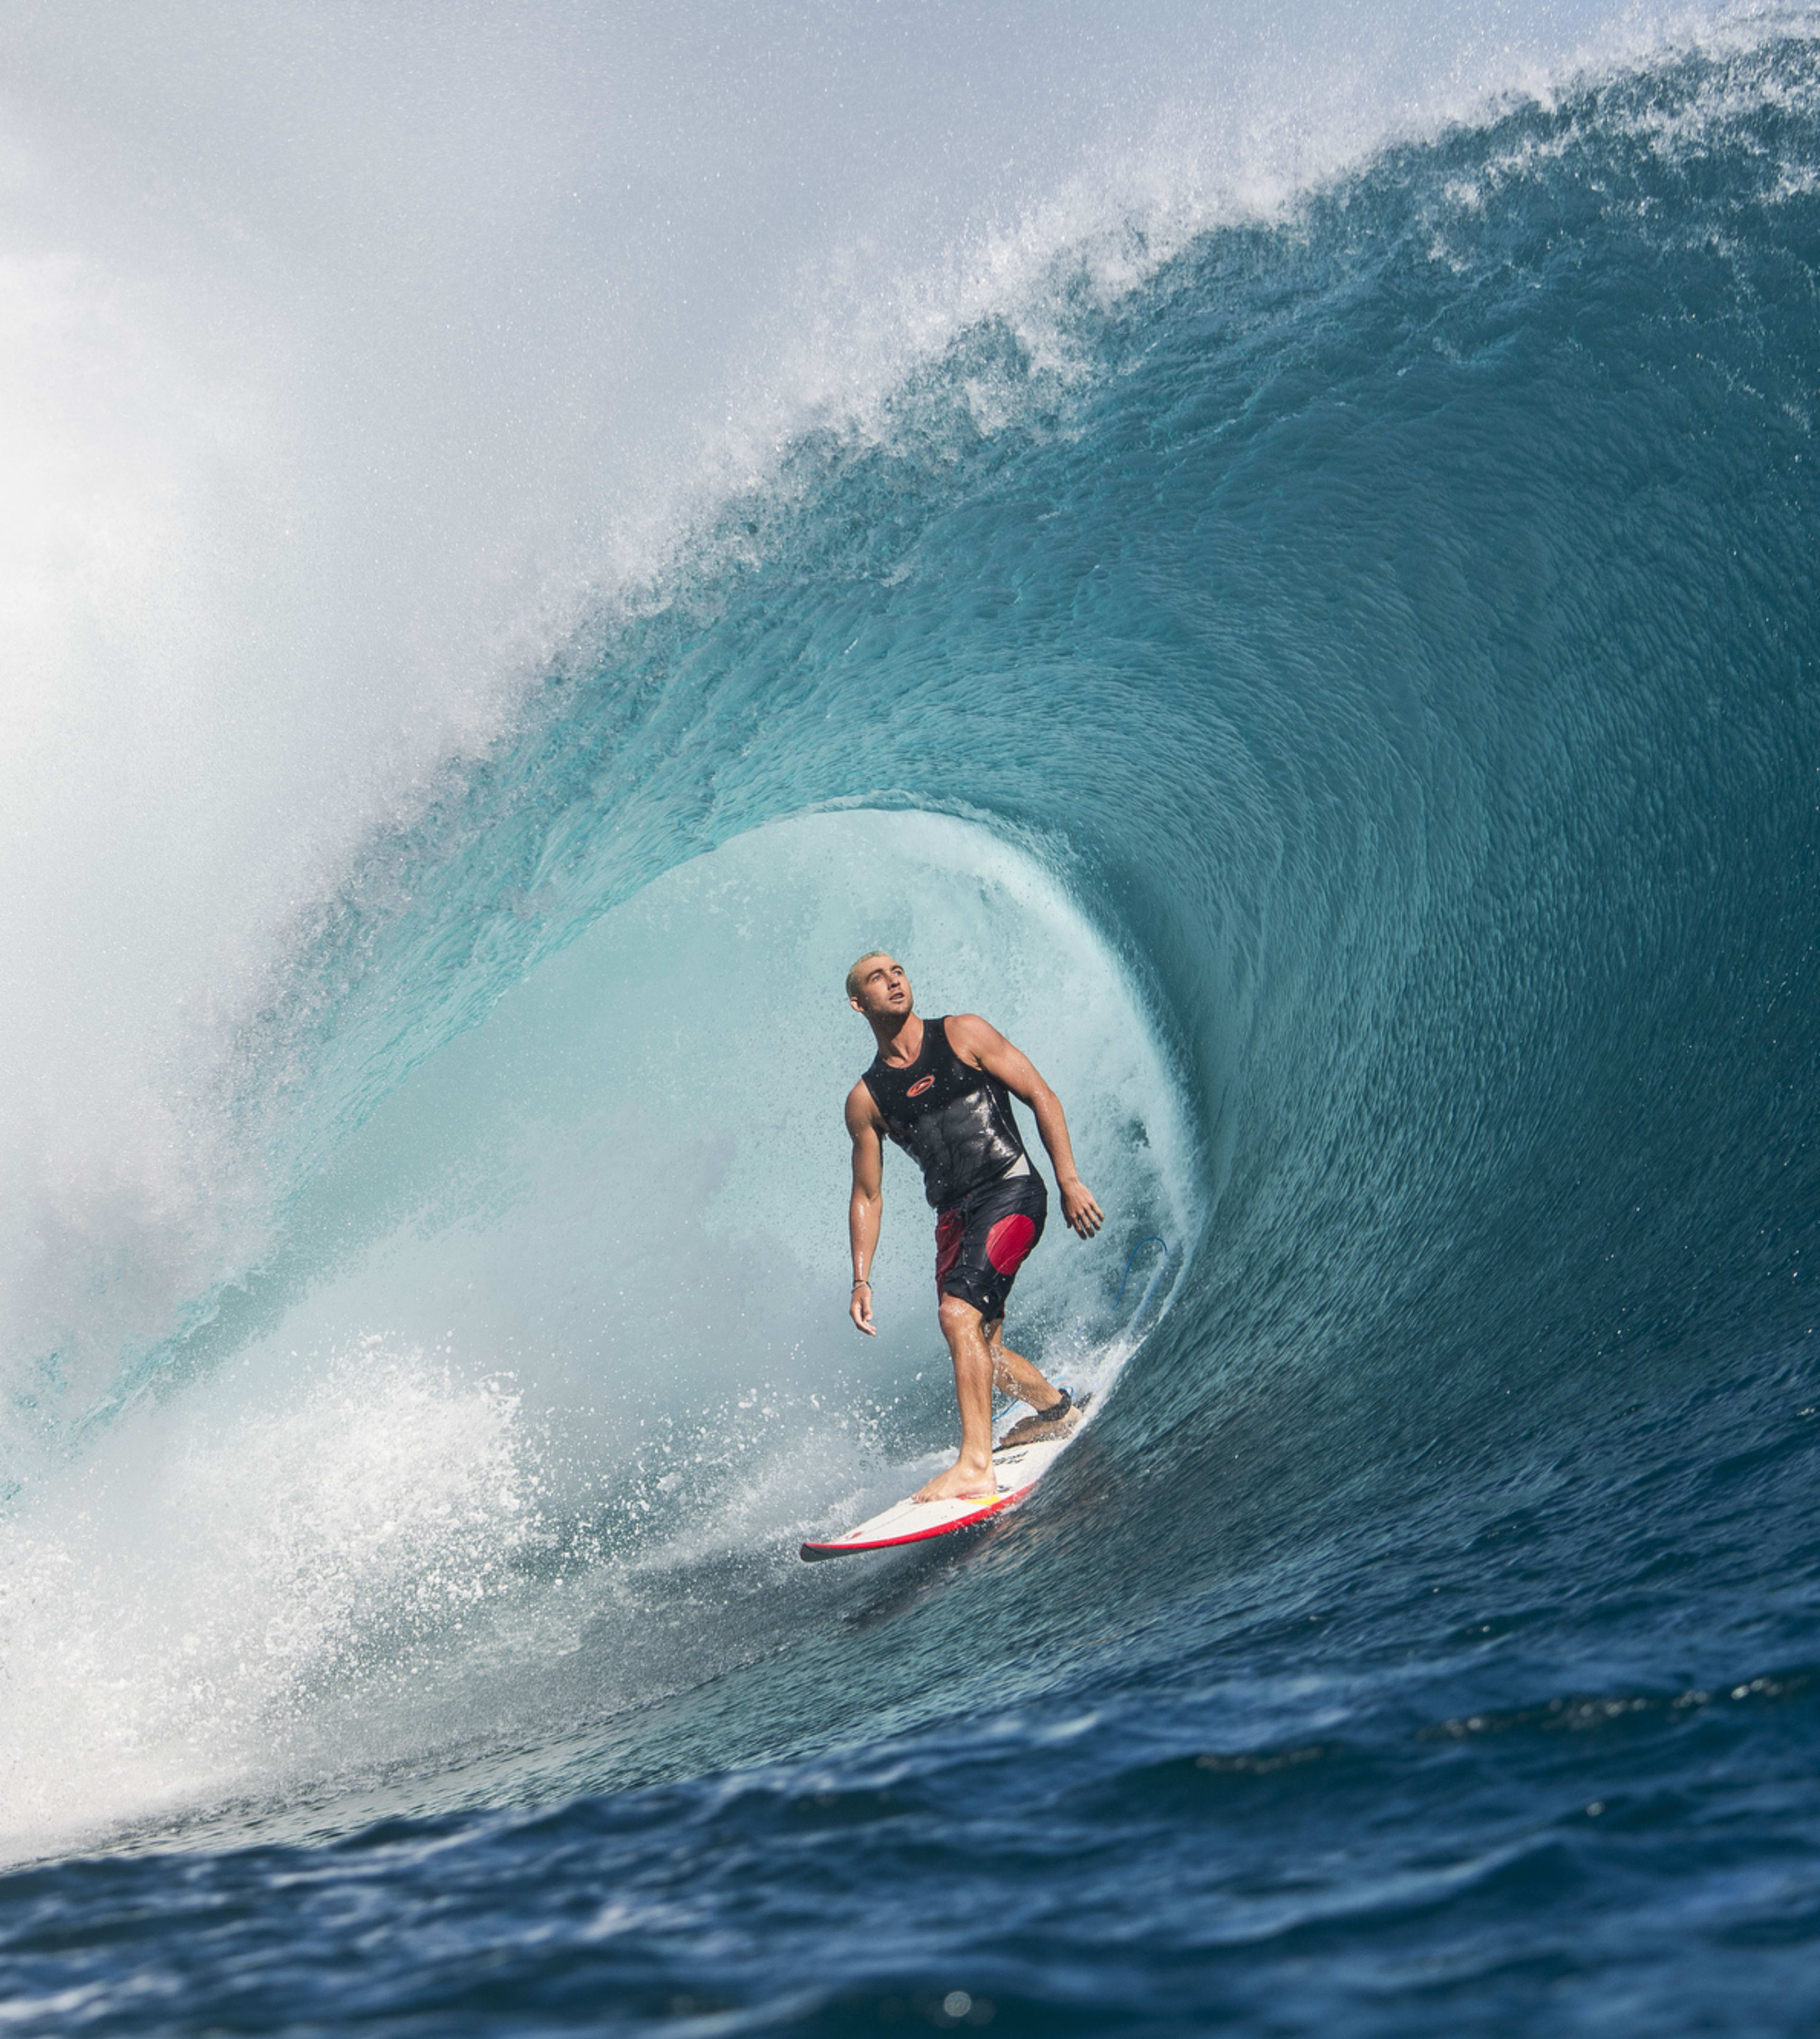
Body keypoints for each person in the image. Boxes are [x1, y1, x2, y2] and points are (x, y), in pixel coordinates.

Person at [843, 951, 1104, 1503]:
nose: (893, 981)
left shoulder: (963, 1034)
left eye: (898, 971)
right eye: (877, 978)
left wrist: (1069, 1180)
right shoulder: (867, 1100)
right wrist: (860, 1279)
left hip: (1011, 1190)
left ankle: (975, 1464)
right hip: (954, 1220)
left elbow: (1040, 1093)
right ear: (858, 1002)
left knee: (957, 1315)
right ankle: (1057, 1411)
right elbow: (868, 1192)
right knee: (981, 1345)